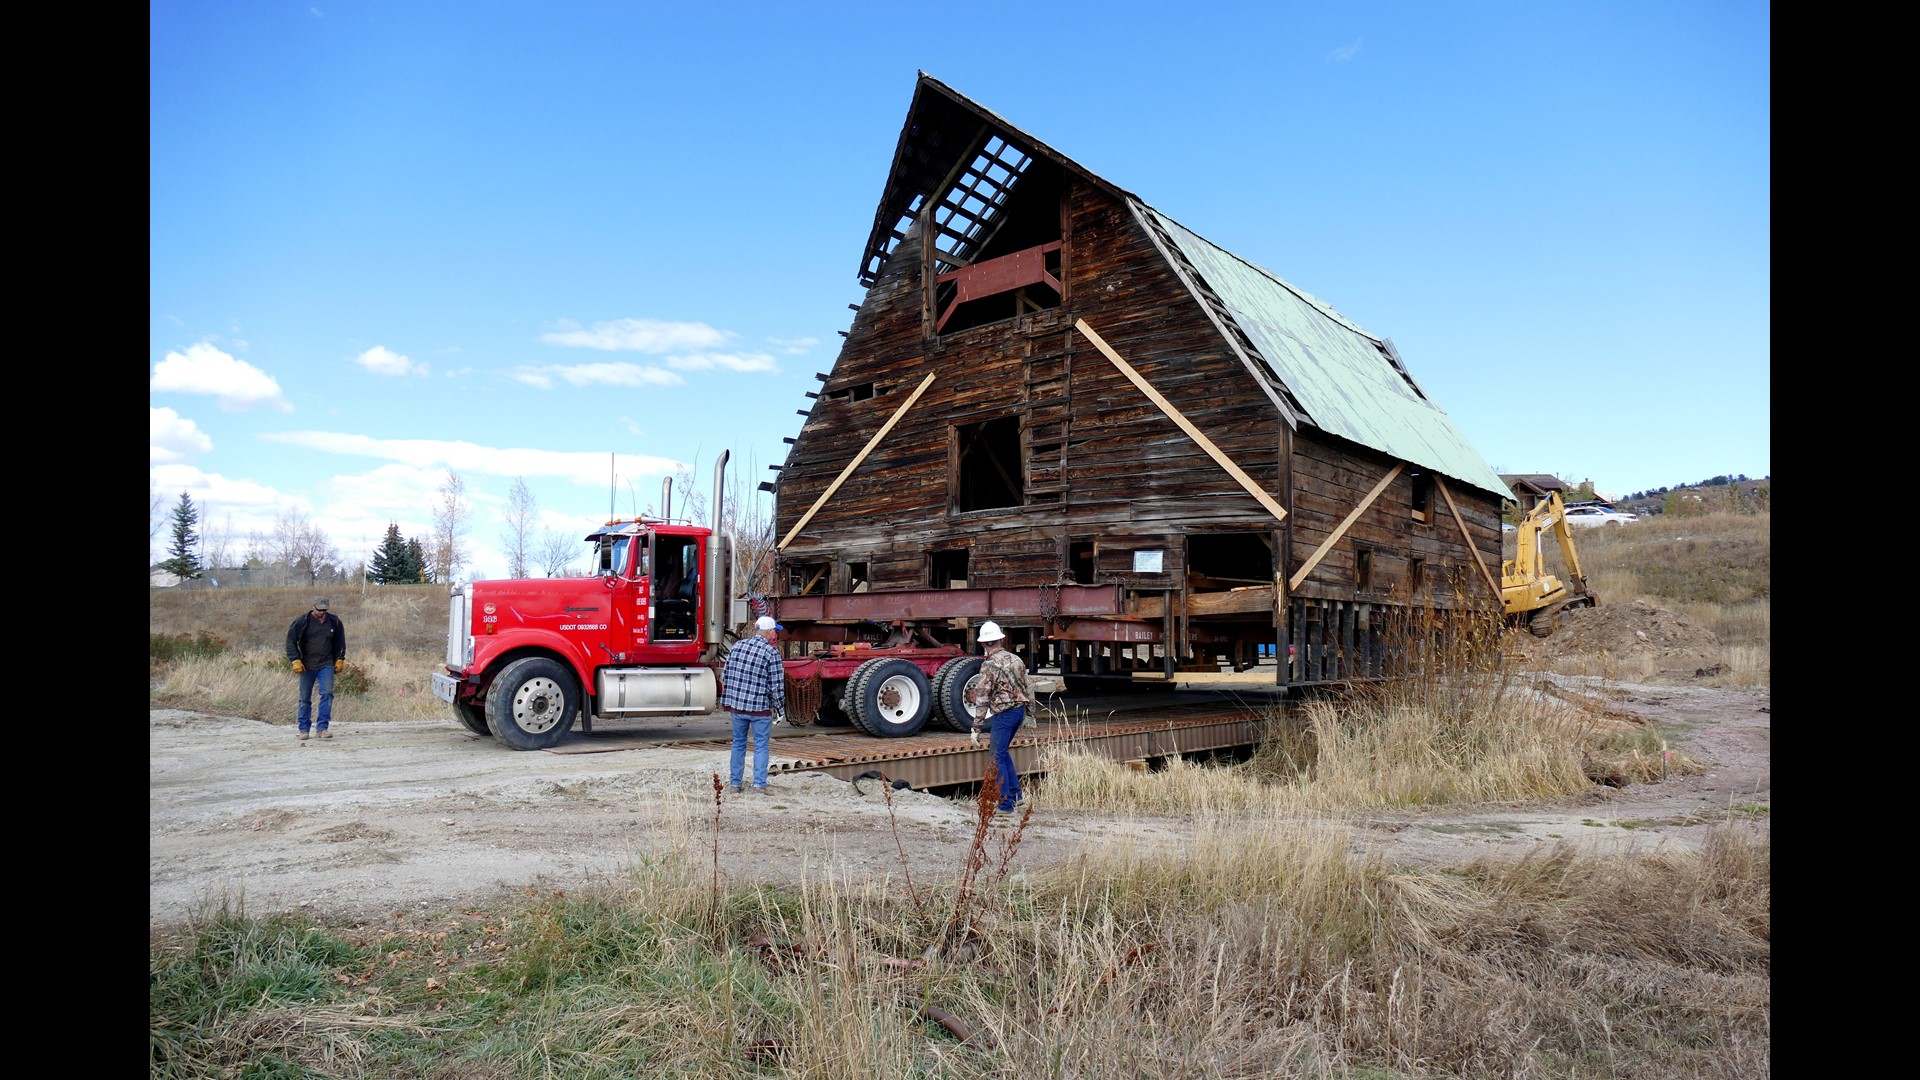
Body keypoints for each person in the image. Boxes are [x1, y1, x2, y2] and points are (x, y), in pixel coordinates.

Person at [965, 620, 1036, 813]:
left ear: (983, 644)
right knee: (1002, 753)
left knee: (995, 759)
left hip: (1003, 715)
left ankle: (1006, 804)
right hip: (1018, 712)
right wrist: (1031, 713)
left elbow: (982, 697)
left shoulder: (989, 665)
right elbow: (1029, 687)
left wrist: (976, 728)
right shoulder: (1016, 659)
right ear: (1000, 640)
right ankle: (1017, 795)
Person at [719, 615, 787, 794]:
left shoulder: (738, 646)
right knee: (761, 745)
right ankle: (759, 786)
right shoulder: (771, 653)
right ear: (769, 632)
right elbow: (776, 687)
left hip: (738, 707)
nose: (776, 634)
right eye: (775, 631)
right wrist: (780, 710)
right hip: (760, 709)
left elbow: (725, 675)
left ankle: (735, 785)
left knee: (738, 743)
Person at [284, 597, 347, 742]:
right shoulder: (301, 622)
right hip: (306, 665)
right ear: (313, 607)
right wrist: (295, 659)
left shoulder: (335, 622)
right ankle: (304, 730)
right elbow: (290, 642)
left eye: (325, 610)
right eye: (320, 610)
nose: (322, 613)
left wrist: (340, 658)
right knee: (304, 699)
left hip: (326, 664)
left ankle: (322, 729)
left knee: (327, 694)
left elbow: (341, 642)